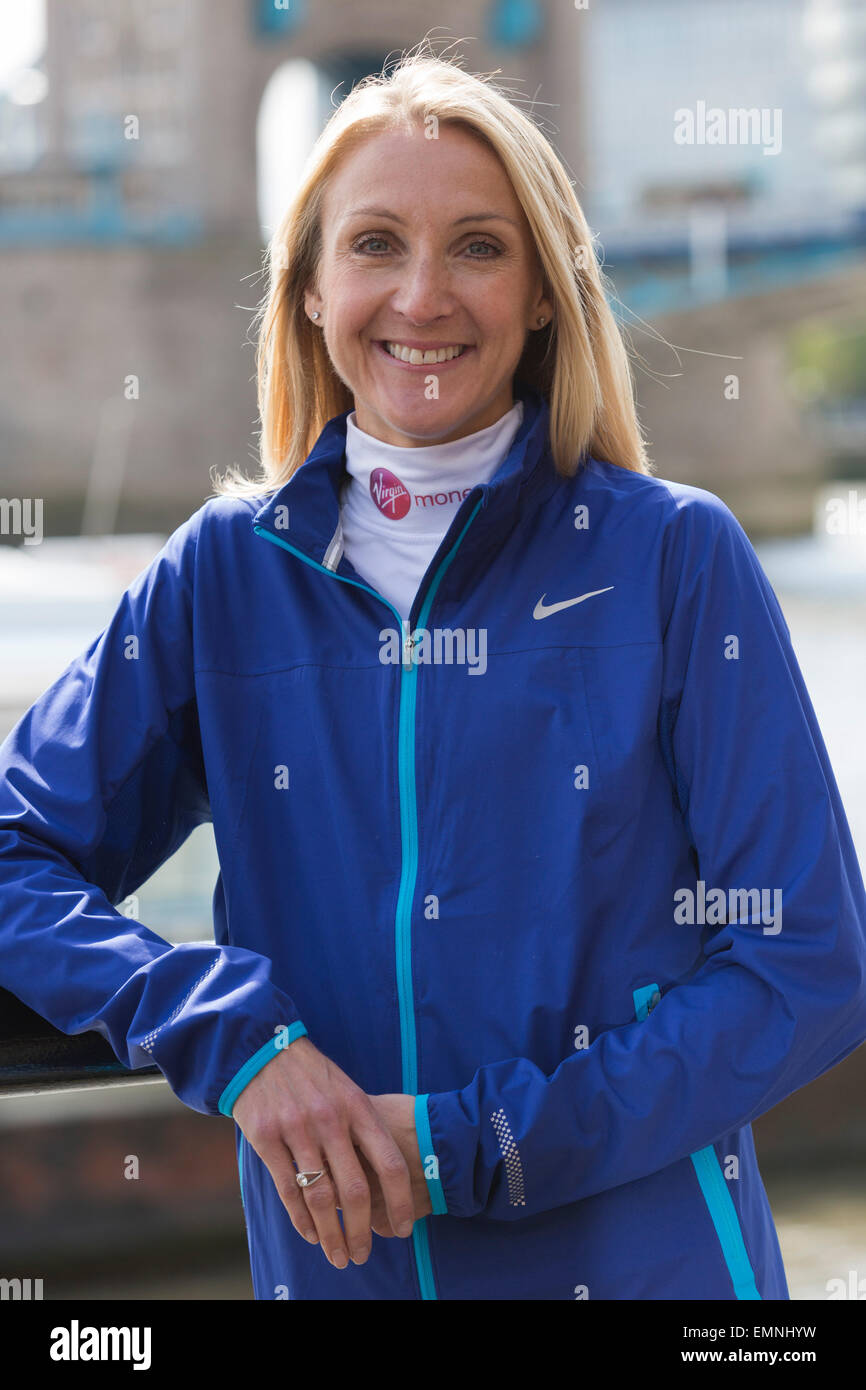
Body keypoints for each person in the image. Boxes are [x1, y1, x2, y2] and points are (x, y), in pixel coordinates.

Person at [1, 51, 865, 1303]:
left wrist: (477, 1146)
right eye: (372, 245)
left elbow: (803, 961)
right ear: (306, 291)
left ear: (541, 296)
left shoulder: (674, 559)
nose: (421, 294)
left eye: (475, 246)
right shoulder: (219, 582)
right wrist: (229, 1035)